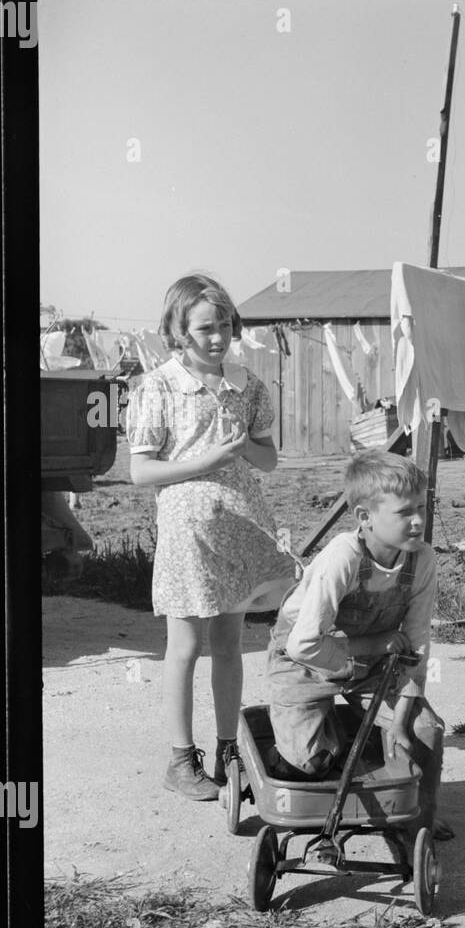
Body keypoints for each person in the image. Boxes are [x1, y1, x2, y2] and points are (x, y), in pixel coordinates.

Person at [126, 274, 299, 801]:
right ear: (178, 331)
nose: (218, 337)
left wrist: (243, 448)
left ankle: (231, 751)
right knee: (184, 645)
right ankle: (181, 759)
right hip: (189, 536)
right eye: (204, 328)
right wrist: (209, 460)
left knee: (230, 643)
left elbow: (268, 460)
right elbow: (140, 472)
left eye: (224, 325)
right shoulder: (158, 386)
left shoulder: (247, 384)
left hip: (241, 529)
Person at [265, 451, 452, 840]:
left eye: (422, 506)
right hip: (304, 662)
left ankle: (420, 819)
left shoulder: (422, 561)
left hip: (374, 664)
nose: (418, 520)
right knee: (310, 763)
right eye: (404, 512)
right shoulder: (343, 556)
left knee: (427, 730)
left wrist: (400, 719)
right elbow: (303, 643)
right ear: (365, 518)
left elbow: (416, 646)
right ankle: (325, 731)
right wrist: (370, 644)